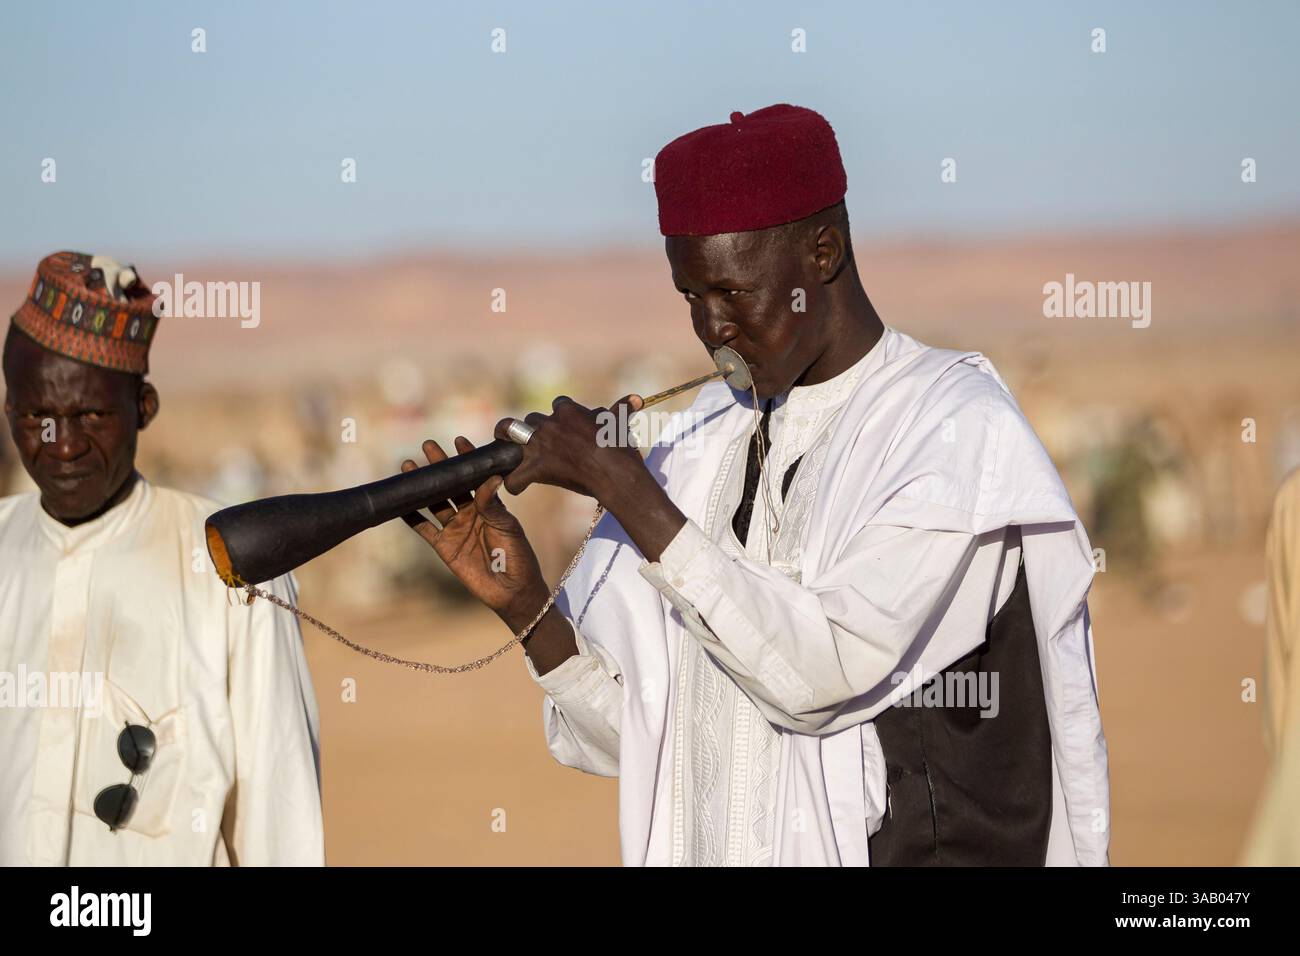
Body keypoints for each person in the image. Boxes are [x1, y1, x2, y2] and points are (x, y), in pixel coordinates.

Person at [403, 105, 1110, 866]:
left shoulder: (951, 429)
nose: (712, 330)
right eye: (690, 299)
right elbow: (642, 737)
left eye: (733, 294)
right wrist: (528, 606)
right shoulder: (706, 435)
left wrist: (627, 491)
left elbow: (819, 674)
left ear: (824, 251)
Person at [0, 251, 323, 865]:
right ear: (9, 413)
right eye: (37, 417)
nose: (62, 445)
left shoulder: (231, 566)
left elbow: (280, 822)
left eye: (91, 415)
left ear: (142, 409)